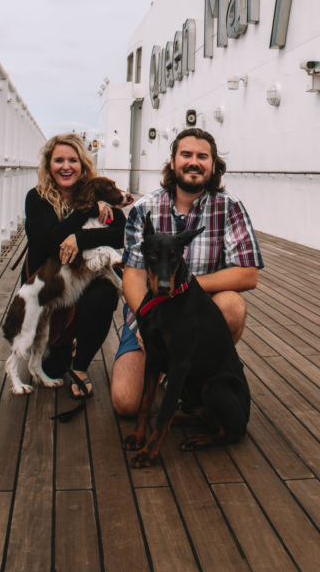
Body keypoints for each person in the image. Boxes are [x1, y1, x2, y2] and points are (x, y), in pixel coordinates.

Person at [110, 126, 263, 415]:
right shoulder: (145, 209)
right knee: (126, 403)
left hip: (196, 318)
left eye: (202, 156)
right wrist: (145, 321)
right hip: (150, 314)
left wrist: (184, 287)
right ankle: (168, 370)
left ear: (214, 165)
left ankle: (196, 374)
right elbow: (133, 275)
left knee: (232, 305)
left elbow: (247, 274)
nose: (194, 162)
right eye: (186, 154)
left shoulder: (229, 207)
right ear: (173, 162)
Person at [24, 132, 127, 398]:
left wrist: (81, 237)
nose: (66, 166)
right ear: (49, 165)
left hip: (86, 276)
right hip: (52, 282)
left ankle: (80, 366)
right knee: (53, 368)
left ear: (83, 165)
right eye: (59, 160)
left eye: (73, 160)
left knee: (105, 294)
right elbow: (48, 243)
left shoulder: (98, 192)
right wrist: (88, 210)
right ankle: (62, 345)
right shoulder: (37, 198)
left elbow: (120, 233)